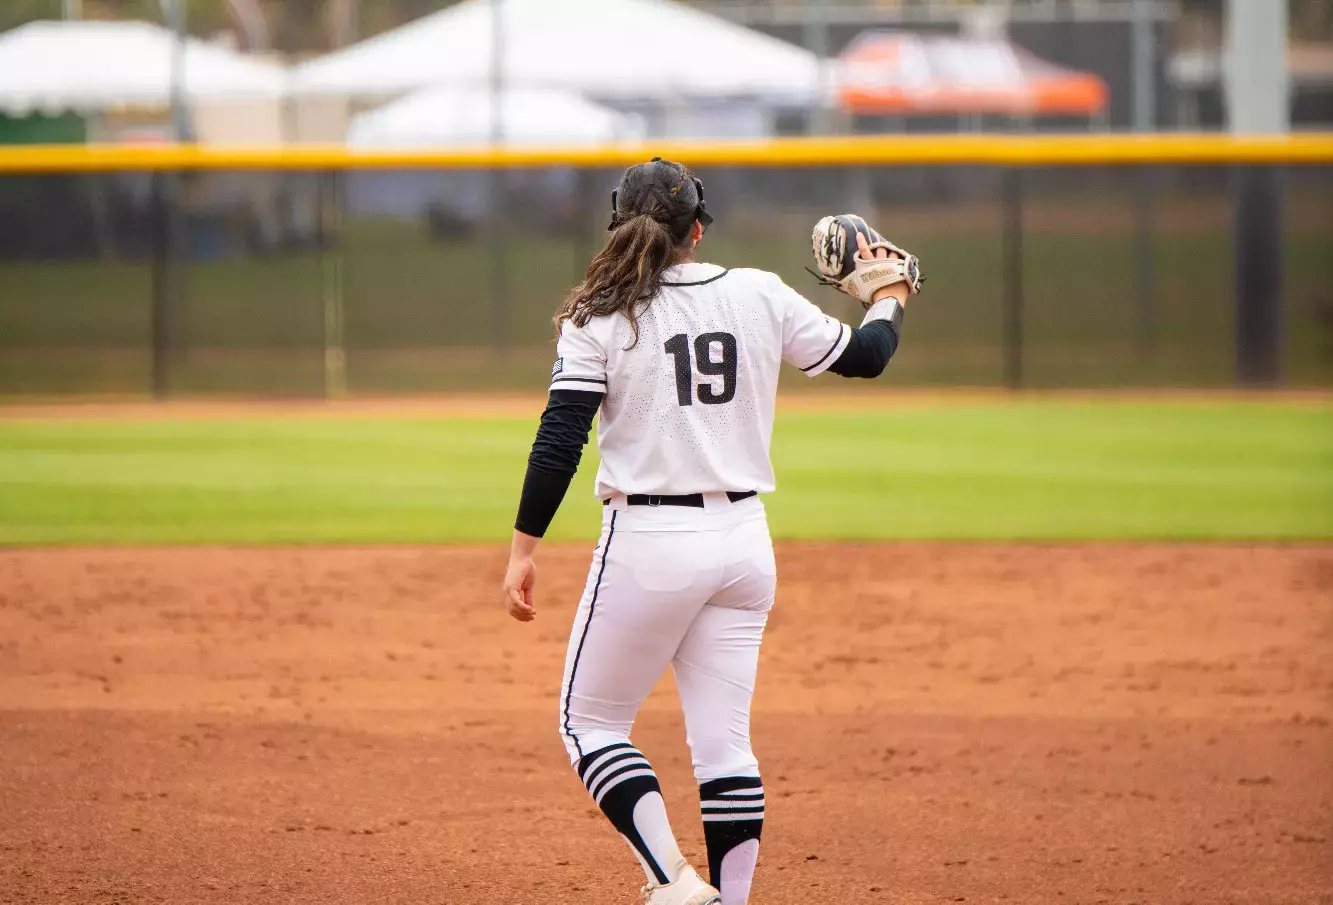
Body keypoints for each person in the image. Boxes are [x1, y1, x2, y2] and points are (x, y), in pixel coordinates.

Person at [501, 157, 921, 905]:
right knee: (723, 745)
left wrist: (523, 547)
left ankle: (675, 880)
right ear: (697, 230)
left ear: (619, 227)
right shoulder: (759, 292)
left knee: (588, 723)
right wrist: (888, 295)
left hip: (650, 544)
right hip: (743, 544)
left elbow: (559, 437)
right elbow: (865, 357)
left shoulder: (597, 315)